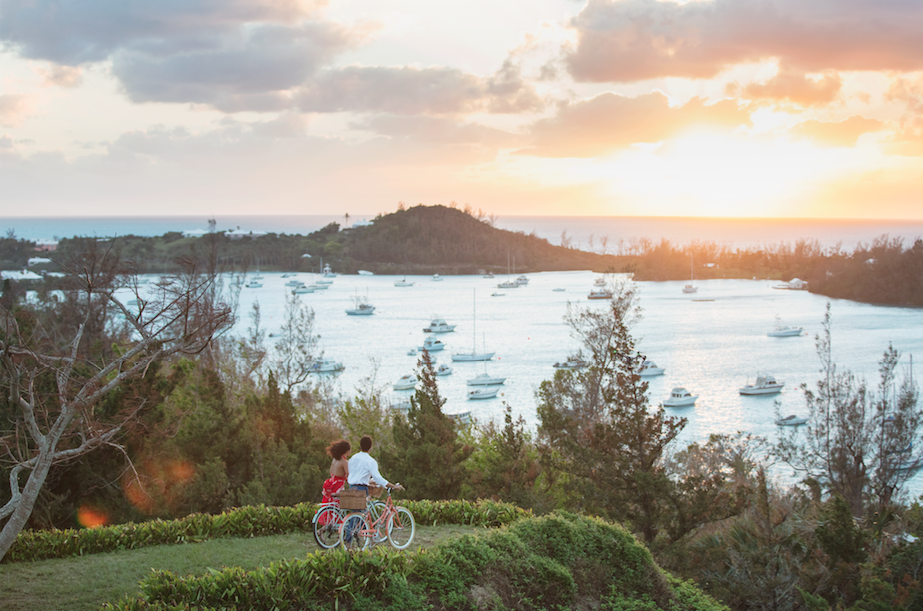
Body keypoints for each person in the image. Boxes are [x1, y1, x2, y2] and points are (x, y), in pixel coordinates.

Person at [319, 439, 350, 523]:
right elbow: (348, 475)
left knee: (330, 506)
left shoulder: (334, 460)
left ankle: (327, 525)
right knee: (337, 506)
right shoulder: (344, 462)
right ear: (346, 451)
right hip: (338, 485)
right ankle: (337, 525)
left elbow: (331, 472)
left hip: (330, 483)